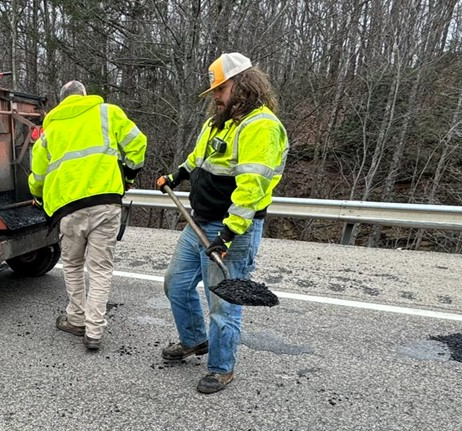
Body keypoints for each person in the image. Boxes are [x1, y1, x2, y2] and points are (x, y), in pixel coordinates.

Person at [155, 53, 289, 394]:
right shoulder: (220, 121)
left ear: (243, 85)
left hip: (231, 229)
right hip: (198, 222)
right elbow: (200, 157)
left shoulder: (261, 126)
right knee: (176, 284)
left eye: (221, 88)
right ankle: (194, 340)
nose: (216, 96)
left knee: (223, 303)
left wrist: (228, 233)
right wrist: (177, 175)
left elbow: (251, 188)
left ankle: (221, 368)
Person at [29, 80, 147, 351]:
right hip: (106, 203)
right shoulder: (108, 113)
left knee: (72, 265)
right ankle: (94, 331)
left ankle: (76, 320)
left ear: (62, 101)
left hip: (68, 209)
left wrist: (39, 196)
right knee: (100, 268)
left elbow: (37, 177)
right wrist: (128, 176)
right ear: (84, 95)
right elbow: (138, 144)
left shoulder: (50, 131)